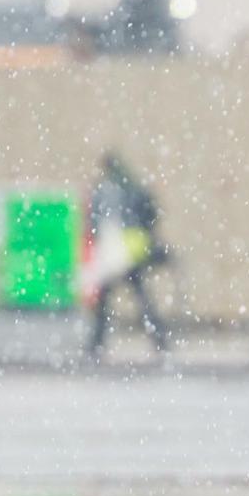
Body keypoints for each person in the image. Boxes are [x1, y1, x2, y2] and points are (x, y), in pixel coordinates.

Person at [85, 152, 170, 362]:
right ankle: (159, 338)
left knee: (110, 299)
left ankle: (97, 342)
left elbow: (95, 220)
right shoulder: (131, 186)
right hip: (131, 250)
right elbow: (151, 213)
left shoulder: (106, 189)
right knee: (140, 297)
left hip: (117, 251)